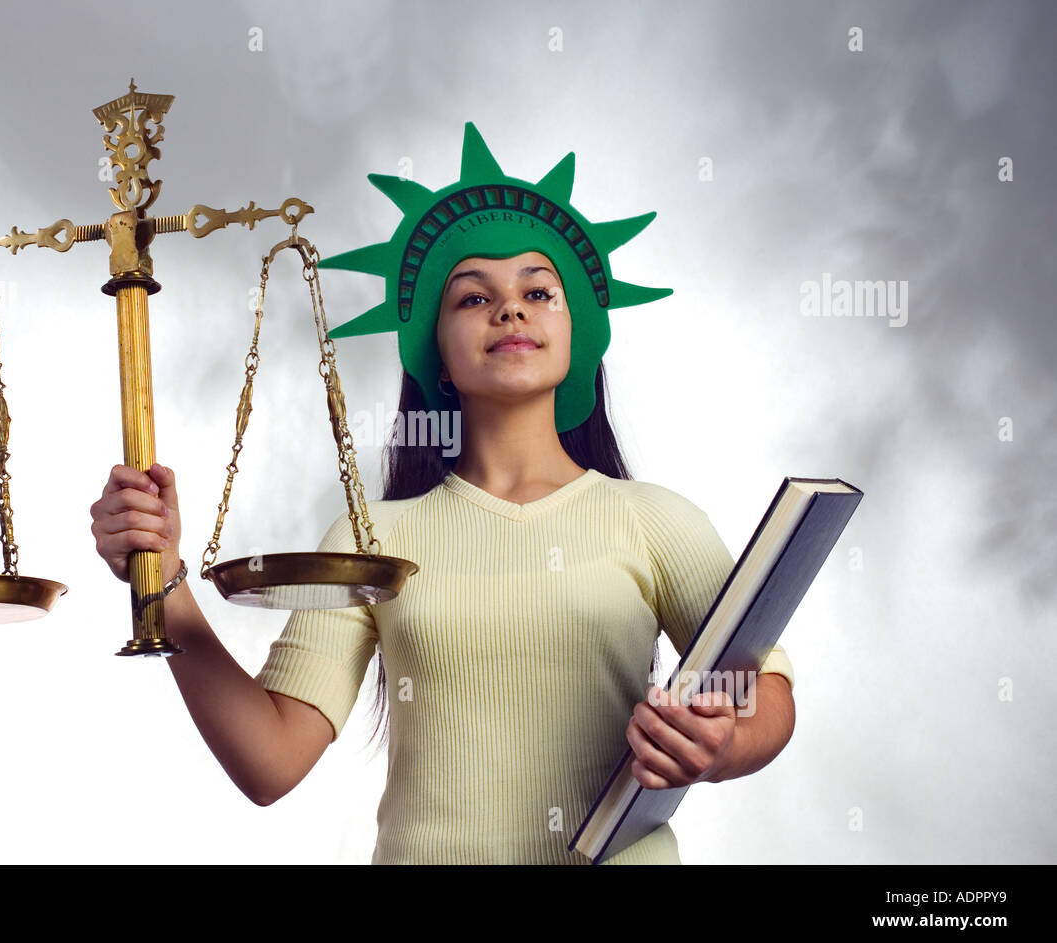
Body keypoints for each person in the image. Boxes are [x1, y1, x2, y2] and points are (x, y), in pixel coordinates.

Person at [89, 123, 795, 864]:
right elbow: (270, 760)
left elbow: (765, 688)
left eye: (537, 290)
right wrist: (163, 582)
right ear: (439, 359)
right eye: (472, 298)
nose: (510, 309)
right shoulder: (373, 542)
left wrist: (722, 745)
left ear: (576, 332)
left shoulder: (654, 521)